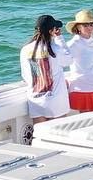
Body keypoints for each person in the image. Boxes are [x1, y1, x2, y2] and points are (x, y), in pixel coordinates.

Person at [19, 13, 73, 142]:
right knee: (59, 139)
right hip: (56, 100)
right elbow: (69, 60)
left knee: (40, 139)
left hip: (36, 99)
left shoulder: (25, 50)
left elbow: (25, 76)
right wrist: (59, 38)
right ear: (51, 31)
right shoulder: (55, 49)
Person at [64, 9, 93, 114]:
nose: (90, 27)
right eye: (85, 25)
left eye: (92, 24)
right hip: (82, 88)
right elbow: (60, 62)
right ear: (78, 27)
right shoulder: (73, 44)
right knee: (87, 120)